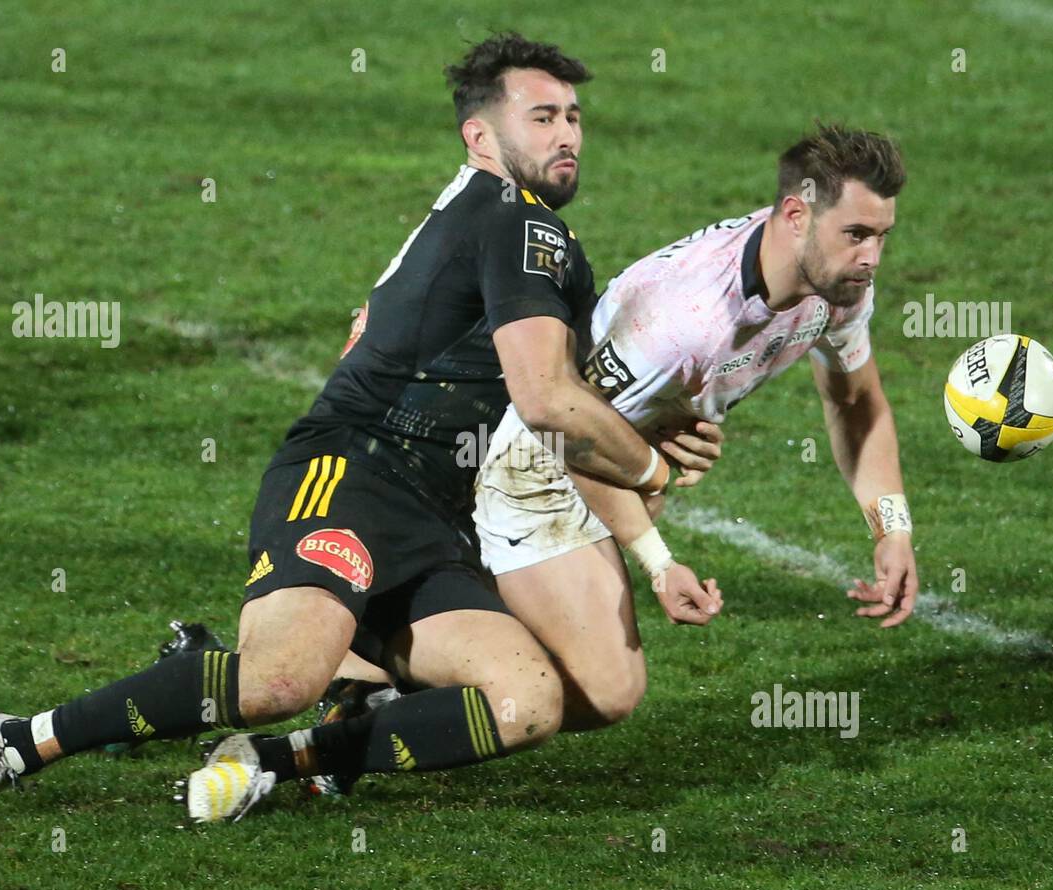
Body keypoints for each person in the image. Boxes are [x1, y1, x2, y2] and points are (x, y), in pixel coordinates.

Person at [0, 32, 717, 831]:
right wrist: (650, 469)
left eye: (574, 117)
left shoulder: (502, 221)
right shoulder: (516, 221)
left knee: (528, 700)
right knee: (276, 680)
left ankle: (273, 753)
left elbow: (536, 399)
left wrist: (645, 524)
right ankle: (15, 740)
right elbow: (546, 398)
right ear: (480, 136)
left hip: (438, 519)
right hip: (355, 475)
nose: (568, 135)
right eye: (542, 117)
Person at [305, 124, 919, 797]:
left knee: (540, 671)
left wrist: (891, 526)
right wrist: (657, 558)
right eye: (857, 233)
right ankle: (348, 692)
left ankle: (356, 670)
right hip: (532, 467)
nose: (872, 257)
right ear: (797, 215)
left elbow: (856, 401)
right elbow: (566, 432)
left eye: (881, 235)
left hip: (612, 458)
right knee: (601, 688)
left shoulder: (835, 283)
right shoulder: (684, 319)